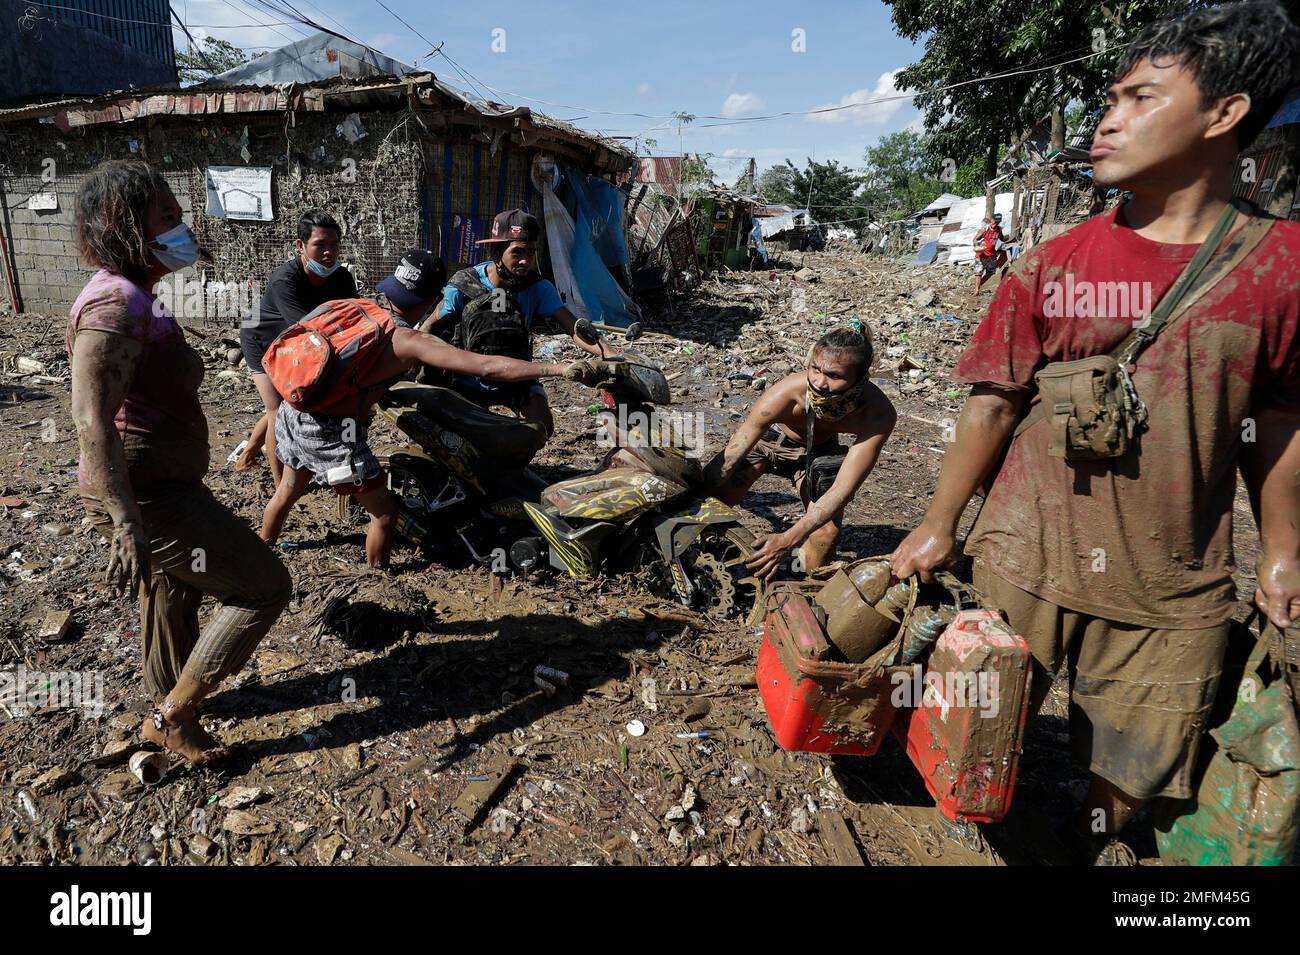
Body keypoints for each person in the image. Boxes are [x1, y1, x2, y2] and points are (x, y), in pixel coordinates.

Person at [891, 0, 1300, 864]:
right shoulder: (1055, 263)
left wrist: (1279, 551)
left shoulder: (1282, 268)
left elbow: (1278, 420)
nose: (1107, 117)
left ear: (1225, 116)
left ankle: (1090, 837)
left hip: (1173, 581)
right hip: (1024, 548)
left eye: (1141, 96)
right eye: (1109, 96)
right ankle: (984, 828)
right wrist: (939, 525)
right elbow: (992, 404)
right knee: (975, 718)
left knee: (1136, 765)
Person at [68, 159, 292, 765]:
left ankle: (175, 692)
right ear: (125, 228)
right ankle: (171, 717)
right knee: (264, 586)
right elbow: (91, 419)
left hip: (162, 484)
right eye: (167, 218)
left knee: (173, 591)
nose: (182, 228)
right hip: (147, 494)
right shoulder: (114, 304)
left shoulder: (138, 296)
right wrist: (125, 520)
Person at [260, 252, 611, 568]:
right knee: (384, 515)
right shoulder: (409, 342)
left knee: (288, 490)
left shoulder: (356, 307)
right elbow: (486, 367)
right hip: (331, 432)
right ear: (431, 300)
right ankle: (377, 578)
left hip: (295, 409)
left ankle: (264, 547)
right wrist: (560, 369)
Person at [703, 321, 896, 578]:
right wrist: (696, 495)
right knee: (714, 502)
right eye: (815, 369)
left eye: (834, 376)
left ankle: (801, 587)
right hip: (768, 443)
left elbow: (842, 490)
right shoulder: (786, 393)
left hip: (817, 454)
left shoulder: (877, 414)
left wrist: (788, 539)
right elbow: (733, 453)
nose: (819, 383)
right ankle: (696, 558)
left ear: (860, 379)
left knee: (826, 533)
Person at [422, 209, 603, 444]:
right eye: (517, 252)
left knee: (541, 430)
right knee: (457, 442)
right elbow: (428, 327)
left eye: (531, 252)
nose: (526, 261)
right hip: (466, 381)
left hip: (518, 378)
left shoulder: (538, 287)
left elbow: (572, 328)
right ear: (497, 252)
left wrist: (608, 353)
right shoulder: (464, 286)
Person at [236, 209, 357, 482]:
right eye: (320, 245)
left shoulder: (341, 278)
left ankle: (246, 456)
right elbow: (309, 331)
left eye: (334, 245)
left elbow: (353, 317)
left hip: (294, 341)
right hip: (262, 339)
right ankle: (282, 487)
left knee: (285, 403)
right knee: (277, 410)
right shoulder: (285, 280)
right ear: (300, 246)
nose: (329, 252)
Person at [972, 213, 1006, 294]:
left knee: (990, 272)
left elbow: (1002, 238)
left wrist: (1008, 239)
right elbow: (975, 239)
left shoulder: (999, 230)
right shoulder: (985, 229)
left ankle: (978, 287)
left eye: (997, 223)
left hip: (992, 255)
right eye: (994, 222)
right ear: (991, 220)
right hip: (981, 254)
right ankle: (976, 290)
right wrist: (977, 247)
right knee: (979, 272)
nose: (995, 224)